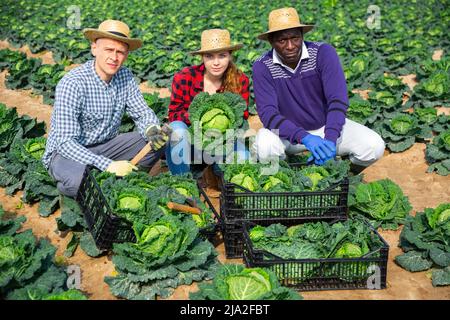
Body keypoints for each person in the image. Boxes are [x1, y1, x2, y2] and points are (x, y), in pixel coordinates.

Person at [42, 20, 169, 198]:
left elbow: (142, 113)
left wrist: (152, 130)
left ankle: (130, 179)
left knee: (159, 140)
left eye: (120, 52)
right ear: (94, 48)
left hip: (107, 146)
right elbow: (65, 143)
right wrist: (107, 165)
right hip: (67, 153)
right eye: (109, 50)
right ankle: (73, 188)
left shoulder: (125, 76)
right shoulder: (73, 83)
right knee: (80, 182)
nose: (114, 57)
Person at [252, 8, 385, 173]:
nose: (290, 46)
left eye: (295, 38)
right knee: (265, 145)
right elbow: (268, 114)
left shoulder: (323, 53)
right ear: (271, 41)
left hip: (325, 127)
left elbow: (337, 100)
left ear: (302, 35)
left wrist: (330, 139)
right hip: (288, 135)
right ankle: (286, 176)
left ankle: (340, 176)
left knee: (374, 146)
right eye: (282, 40)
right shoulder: (262, 66)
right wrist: (304, 137)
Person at [167, 28, 250, 176]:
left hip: (224, 143)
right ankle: (182, 183)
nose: (216, 62)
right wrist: (198, 119)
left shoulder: (240, 80)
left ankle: (215, 172)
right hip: (191, 144)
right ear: (202, 57)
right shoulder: (184, 77)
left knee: (245, 160)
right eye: (209, 56)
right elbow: (174, 114)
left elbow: (241, 118)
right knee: (176, 130)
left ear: (230, 56)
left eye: (222, 56)